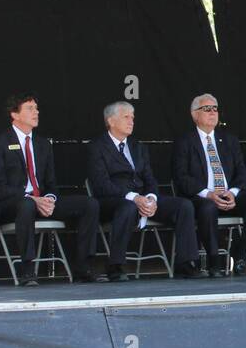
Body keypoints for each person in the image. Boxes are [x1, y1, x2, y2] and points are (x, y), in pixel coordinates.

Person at [0, 93, 104, 285]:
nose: (36, 112)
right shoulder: (0, 142)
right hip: (11, 205)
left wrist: (49, 199)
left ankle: (84, 266)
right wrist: (32, 199)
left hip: (41, 203)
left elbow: (51, 183)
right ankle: (28, 269)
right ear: (14, 114)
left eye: (37, 108)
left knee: (89, 204)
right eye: (30, 108)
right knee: (26, 205)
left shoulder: (42, 144)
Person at [87, 101, 204, 282]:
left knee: (183, 205)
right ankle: (115, 265)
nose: (131, 121)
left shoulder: (138, 147)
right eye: (126, 117)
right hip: (113, 200)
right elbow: (101, 184)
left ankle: (186, 262)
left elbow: (150, 179)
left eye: (133, 117)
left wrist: (151, 197)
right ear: (111, 121)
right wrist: (134, 197)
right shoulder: (97, 146)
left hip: (142, 197)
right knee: (128, 207)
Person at [171, 93, 246, 277]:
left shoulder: (229, 139)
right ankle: (214, 260)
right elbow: (181, 177)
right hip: (202, 198)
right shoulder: (184, 141)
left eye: (215, 108)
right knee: (207, 208)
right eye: (207, 109)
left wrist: (232, 192)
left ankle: (240, 250)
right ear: (194, 115)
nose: (212, 112)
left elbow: (241, 172)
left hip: (229, 196)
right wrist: (208, 194)